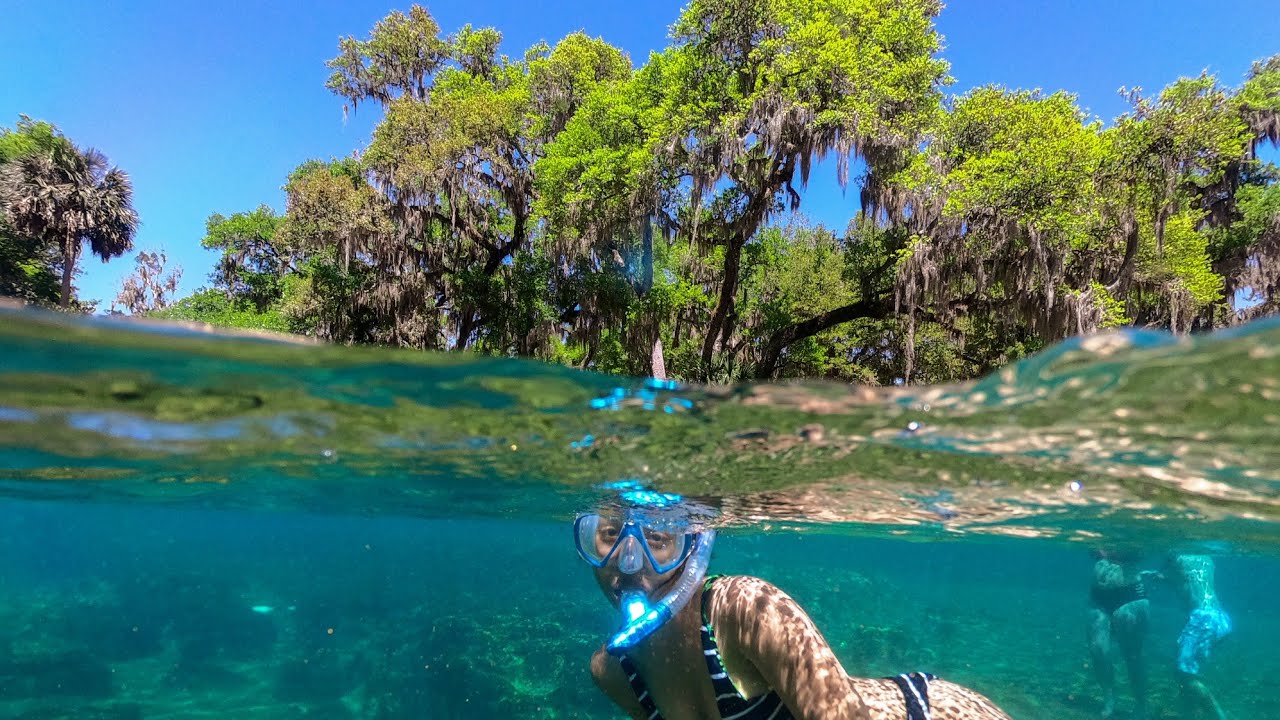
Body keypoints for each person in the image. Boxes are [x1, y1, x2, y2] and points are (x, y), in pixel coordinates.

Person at [574, 491, 1012, 720]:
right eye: (609, 536)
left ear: (694, 548)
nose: (630, 565)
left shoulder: (745, 610)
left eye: (658, 540)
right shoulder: (613, 672)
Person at [1086, 548, 1153, 719]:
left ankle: (1140, 703)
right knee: (1098, 650)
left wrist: (1109, 554)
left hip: (1129, 594)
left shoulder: (1134, 529)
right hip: (1099, 596)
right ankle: (1109, 698)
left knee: (1132, 655)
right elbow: (1093, 551)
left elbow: (1139, 553)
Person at [1163, 554, 1232, 720]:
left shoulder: (1178, 559)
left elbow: (1184, 587)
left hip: (1203, 620)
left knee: (1183, 675)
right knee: (1187, 673)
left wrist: (1166, 576)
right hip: (1219, 618)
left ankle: (1219, 717)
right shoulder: (1206, 559)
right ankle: (1192, 713)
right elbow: (1194, 585)